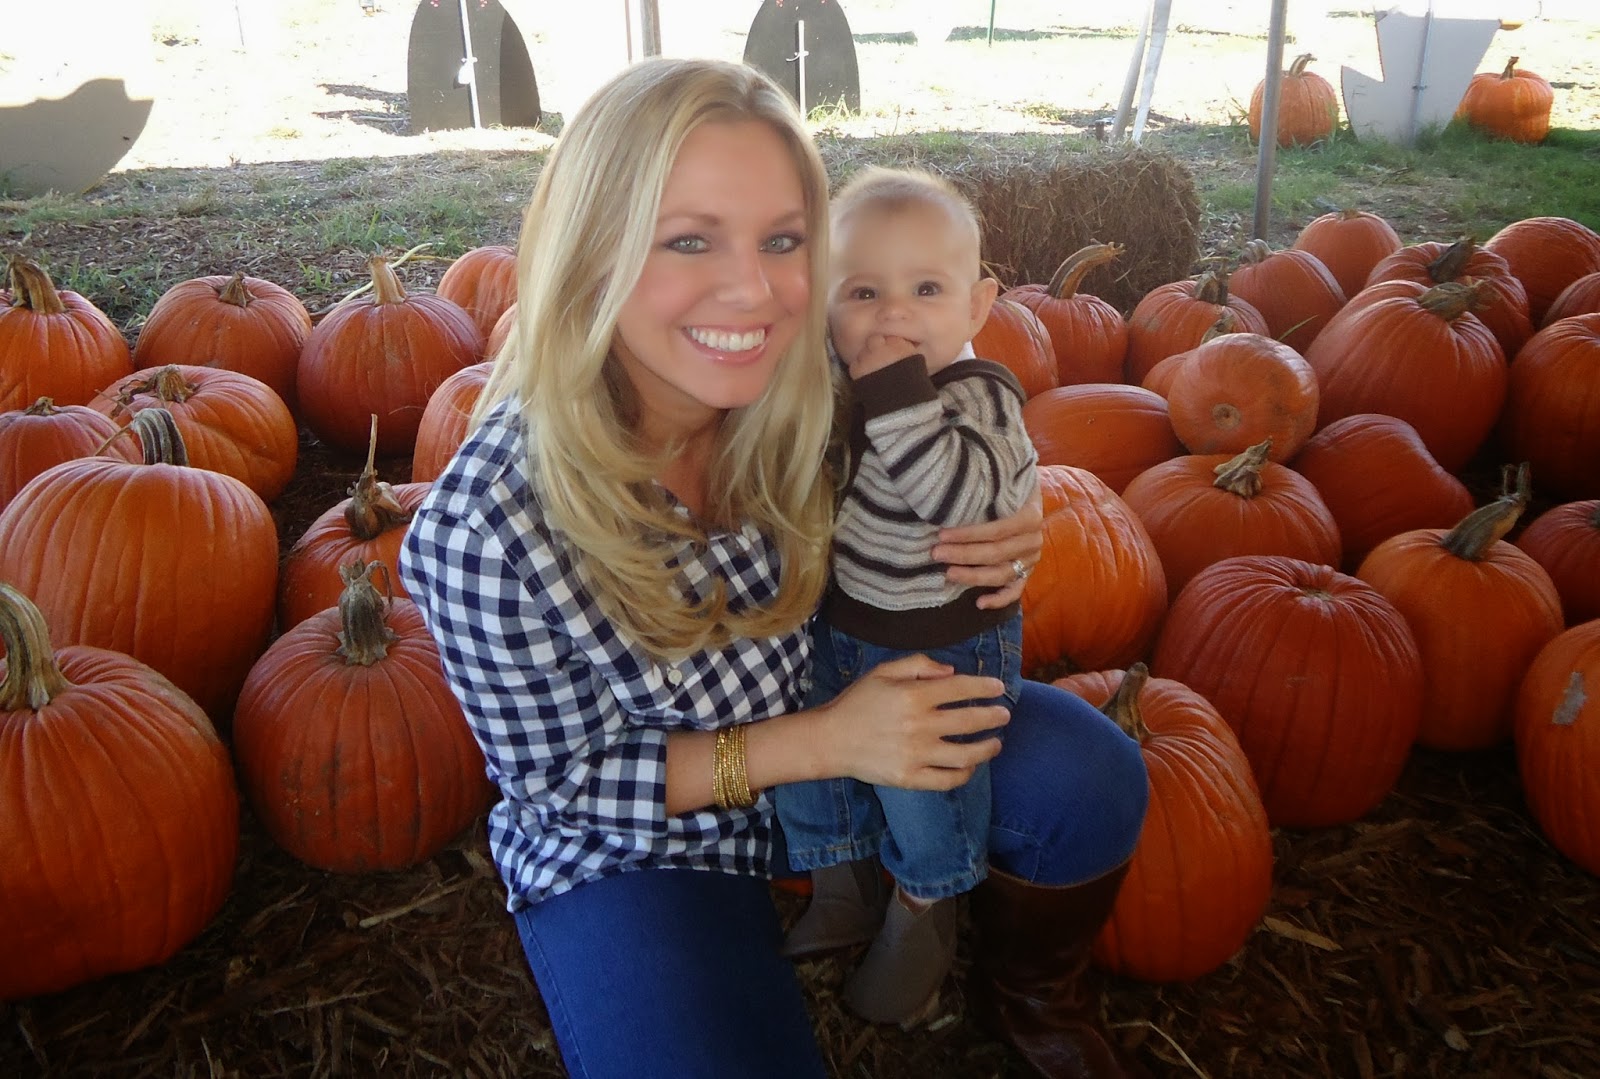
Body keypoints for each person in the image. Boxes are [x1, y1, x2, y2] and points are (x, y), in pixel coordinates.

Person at [399, 55, 1151, 1079]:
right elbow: (563, 785)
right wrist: (828, 739)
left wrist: (1012, 509)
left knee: (1086, 776)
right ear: (592, 251)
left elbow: (968, 408)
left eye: (784, 240)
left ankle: (1025, 988)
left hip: (856, 716)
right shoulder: (485, 524)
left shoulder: (815, 380)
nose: (752, 290)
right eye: (690, 239)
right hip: (655, 834)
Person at [772, 165, 1038, 1028]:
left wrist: (893, 395)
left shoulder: (979, 396)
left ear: (978, 303)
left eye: (926, 288)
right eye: (863, 291)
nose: (893, 314)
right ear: (825, 307)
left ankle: (925, 914)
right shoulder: (840, 380)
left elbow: (960, 499)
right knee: (818, 774)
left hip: (947, 641)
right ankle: (841, 881)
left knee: (929, 789)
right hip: (847, 620)